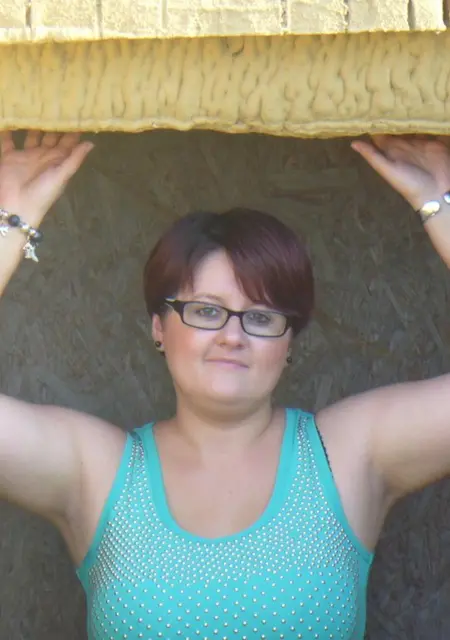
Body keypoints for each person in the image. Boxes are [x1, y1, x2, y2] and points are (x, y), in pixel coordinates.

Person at [0, 131, 449, 640]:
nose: (232, 336)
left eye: (260, 317)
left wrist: (442, 202)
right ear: (159, 328)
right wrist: (9, 223)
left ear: (289, 341)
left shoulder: (347, 454)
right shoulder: (97, 472)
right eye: (206, 311)